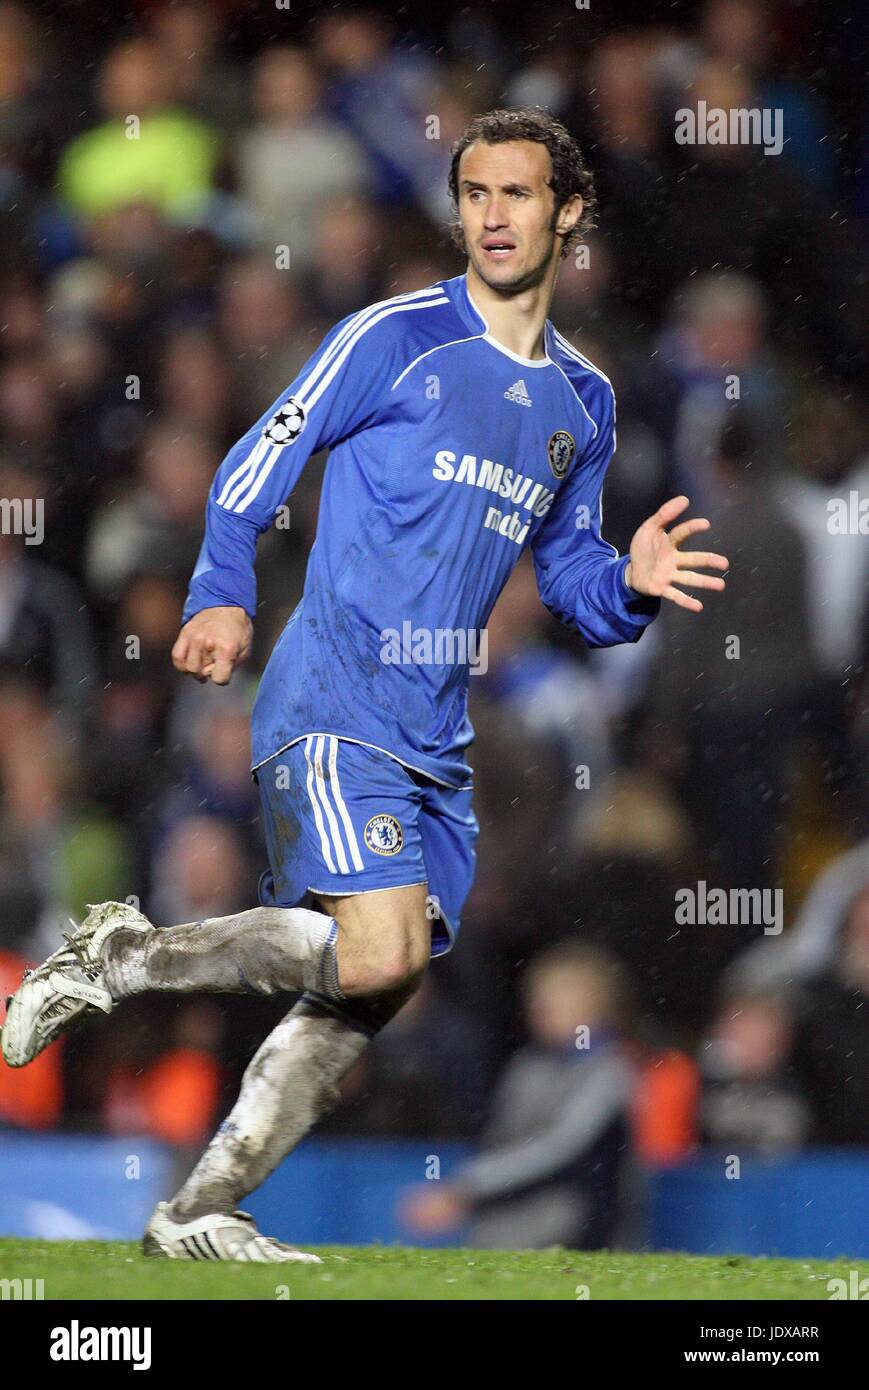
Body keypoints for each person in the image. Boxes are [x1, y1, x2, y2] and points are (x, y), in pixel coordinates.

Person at [2, 107, 727, 1262]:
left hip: (437, 734)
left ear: (567, 212)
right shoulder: (394, 336)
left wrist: (629, 582)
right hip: (335, 691)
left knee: (367, 992)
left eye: (518, 194)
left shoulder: (580, 405)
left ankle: (198, 1210)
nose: (491, 216)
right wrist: (220, 589)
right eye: (474, 194)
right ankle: (119, 957)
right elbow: (261, 453)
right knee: (381, 952)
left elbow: (578, 590)